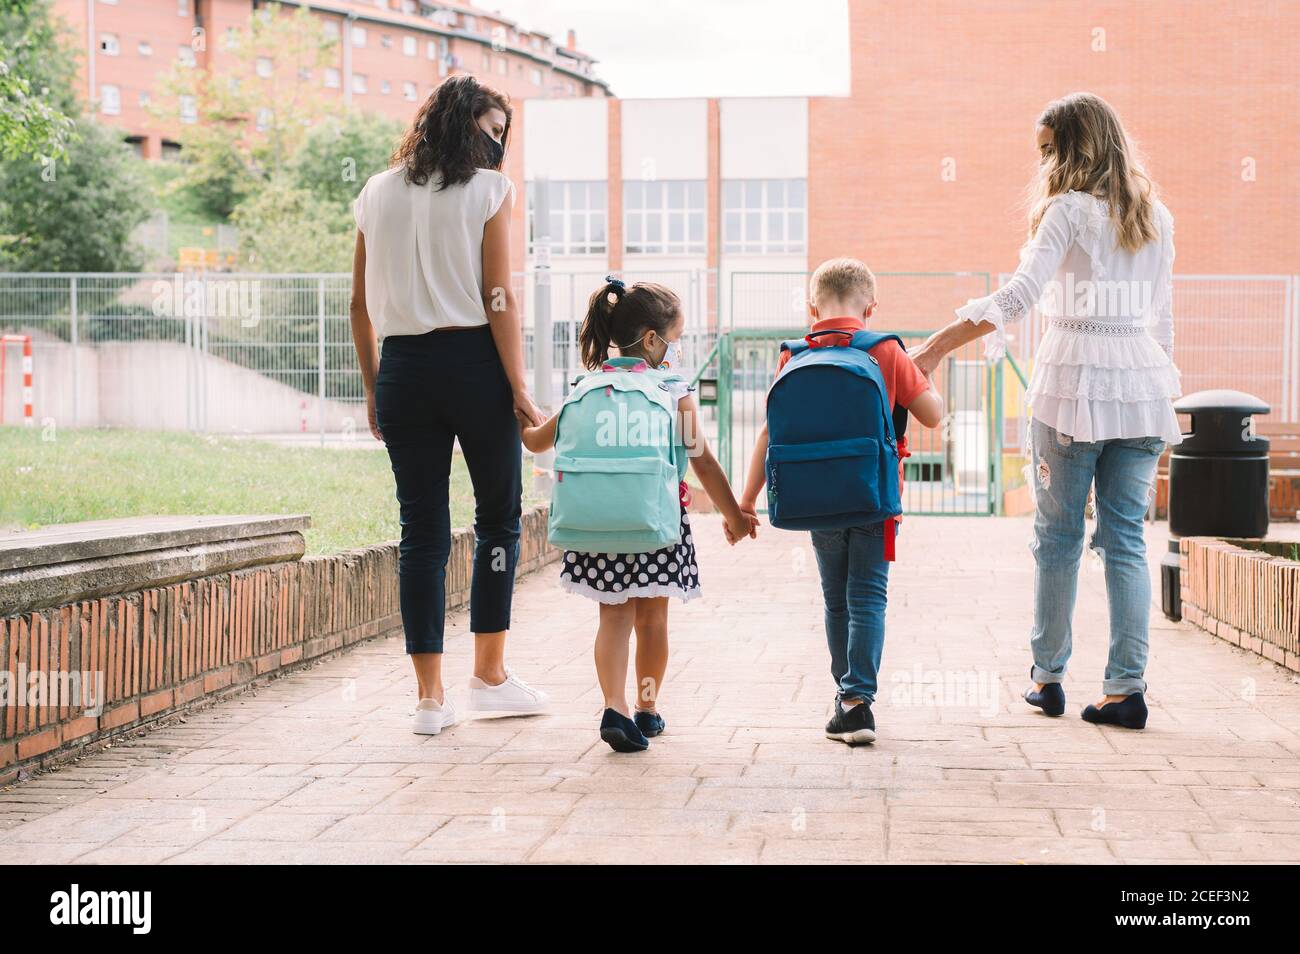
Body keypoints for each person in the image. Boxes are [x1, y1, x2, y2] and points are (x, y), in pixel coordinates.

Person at [909, 93, 1181, 730]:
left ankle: (1049, 679)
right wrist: (1158, 387)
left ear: (1073, 147)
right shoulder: (1156, 216)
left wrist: (935, 347)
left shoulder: (1065, 211)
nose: (1044, 163)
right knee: (1126, 544)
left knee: (1057, 538)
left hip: (1073, 388)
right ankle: (1125, 689)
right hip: (1142, 391)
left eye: (1048, 150)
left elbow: (1021, 294)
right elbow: (1163, 318)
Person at [348, 75, 549, 737]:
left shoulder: (376, 191)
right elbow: (499, 296)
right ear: (462, 124)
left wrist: (375, 386)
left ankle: (430, 700)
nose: (497, 145)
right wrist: (518, 388)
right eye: (490, 131)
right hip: (473, 365)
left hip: (403, 370)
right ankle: (488, 677)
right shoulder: (490, 191)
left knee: (423, 533)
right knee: (498, 520)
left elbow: (358, 306)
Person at [521, 278, 757, 752]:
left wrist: (522, 408)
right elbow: (703, 460)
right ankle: (648, 711)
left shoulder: (584, 388)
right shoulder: (672, 389)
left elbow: (536, 442)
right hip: (658, 529)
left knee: (613, 618)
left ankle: (615, 706)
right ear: (651, 340)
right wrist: (735, 516)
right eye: (676, 338)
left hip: (598, 530)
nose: (677, 348)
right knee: (653, 621)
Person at [739, 258, 944, 744]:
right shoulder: (887, 352)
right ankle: (857, 701)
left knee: (835, 598)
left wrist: (747, 501)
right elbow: (933, 417)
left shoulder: (792, 356)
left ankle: (844, 700)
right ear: (871, 307)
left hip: (816, 498)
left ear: (812, 306)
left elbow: (770, 432)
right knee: (868, 595)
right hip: (876, 499)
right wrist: (922, 373)